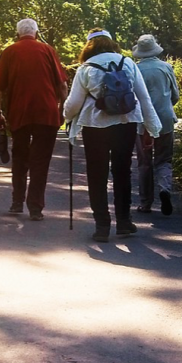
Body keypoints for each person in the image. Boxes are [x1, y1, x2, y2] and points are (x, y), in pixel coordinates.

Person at [63, 29, 162, 242]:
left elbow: (73, 105)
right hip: (125, 123)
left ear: (89, 46)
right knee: (122, 172)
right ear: (111, 43)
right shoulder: (128, 63)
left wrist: (66, 116)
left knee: (96, 174)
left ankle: (102, 226)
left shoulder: (86, 68)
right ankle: (124, 222)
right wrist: (151, 129)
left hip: (95, 126)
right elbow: (144, 99)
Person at [0, 18, 69, 220]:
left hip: (20, 112)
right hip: (46, 112)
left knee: (19, 157)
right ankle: (35, 208)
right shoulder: (48, 50)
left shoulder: (9, 52)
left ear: (18, 34)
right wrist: (64, 108)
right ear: (36, 32)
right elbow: (62, 85)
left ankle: (17, 202)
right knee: (40, 161)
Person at [131, 34, 180, 216]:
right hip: (165, 120)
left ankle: (145, 203)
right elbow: (175, 95)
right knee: (164, 159)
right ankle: (164, 189)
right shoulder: (166, 67)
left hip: (142, 122)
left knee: (144, 163)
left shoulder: (135, 70)